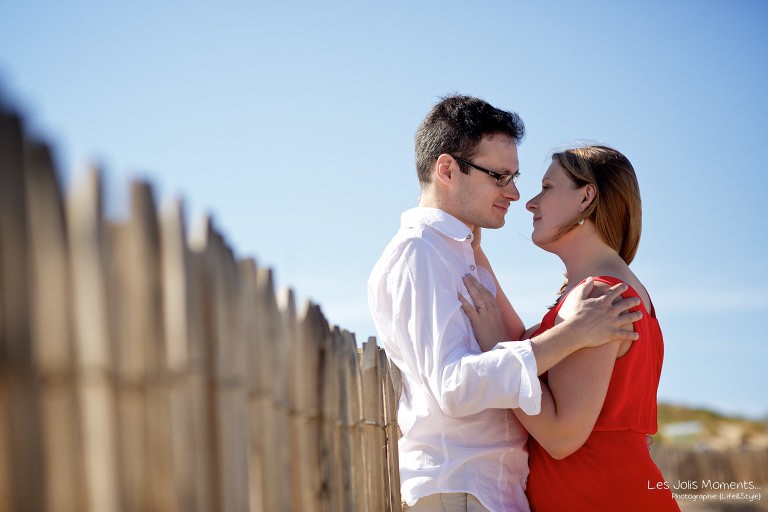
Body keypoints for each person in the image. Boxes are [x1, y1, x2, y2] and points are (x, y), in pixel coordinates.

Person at [367, 95, 644, 512]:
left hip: (490, 491)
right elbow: (452, 386)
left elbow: (507, 349)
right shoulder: (420, 252)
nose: (516, 194)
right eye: (499, 176)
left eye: (516, 177)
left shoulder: (461, 252)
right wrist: (572, 335)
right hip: (459, 489)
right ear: (447, 169)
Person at [462, 145, 680, 511]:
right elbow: (529, 344)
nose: (531, 203)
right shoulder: (620, 290)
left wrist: (498, 351)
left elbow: (562, 436)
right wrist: (476, 252)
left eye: (546, 187)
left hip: (598, 496)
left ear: (586, 197)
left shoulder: (599, 296)